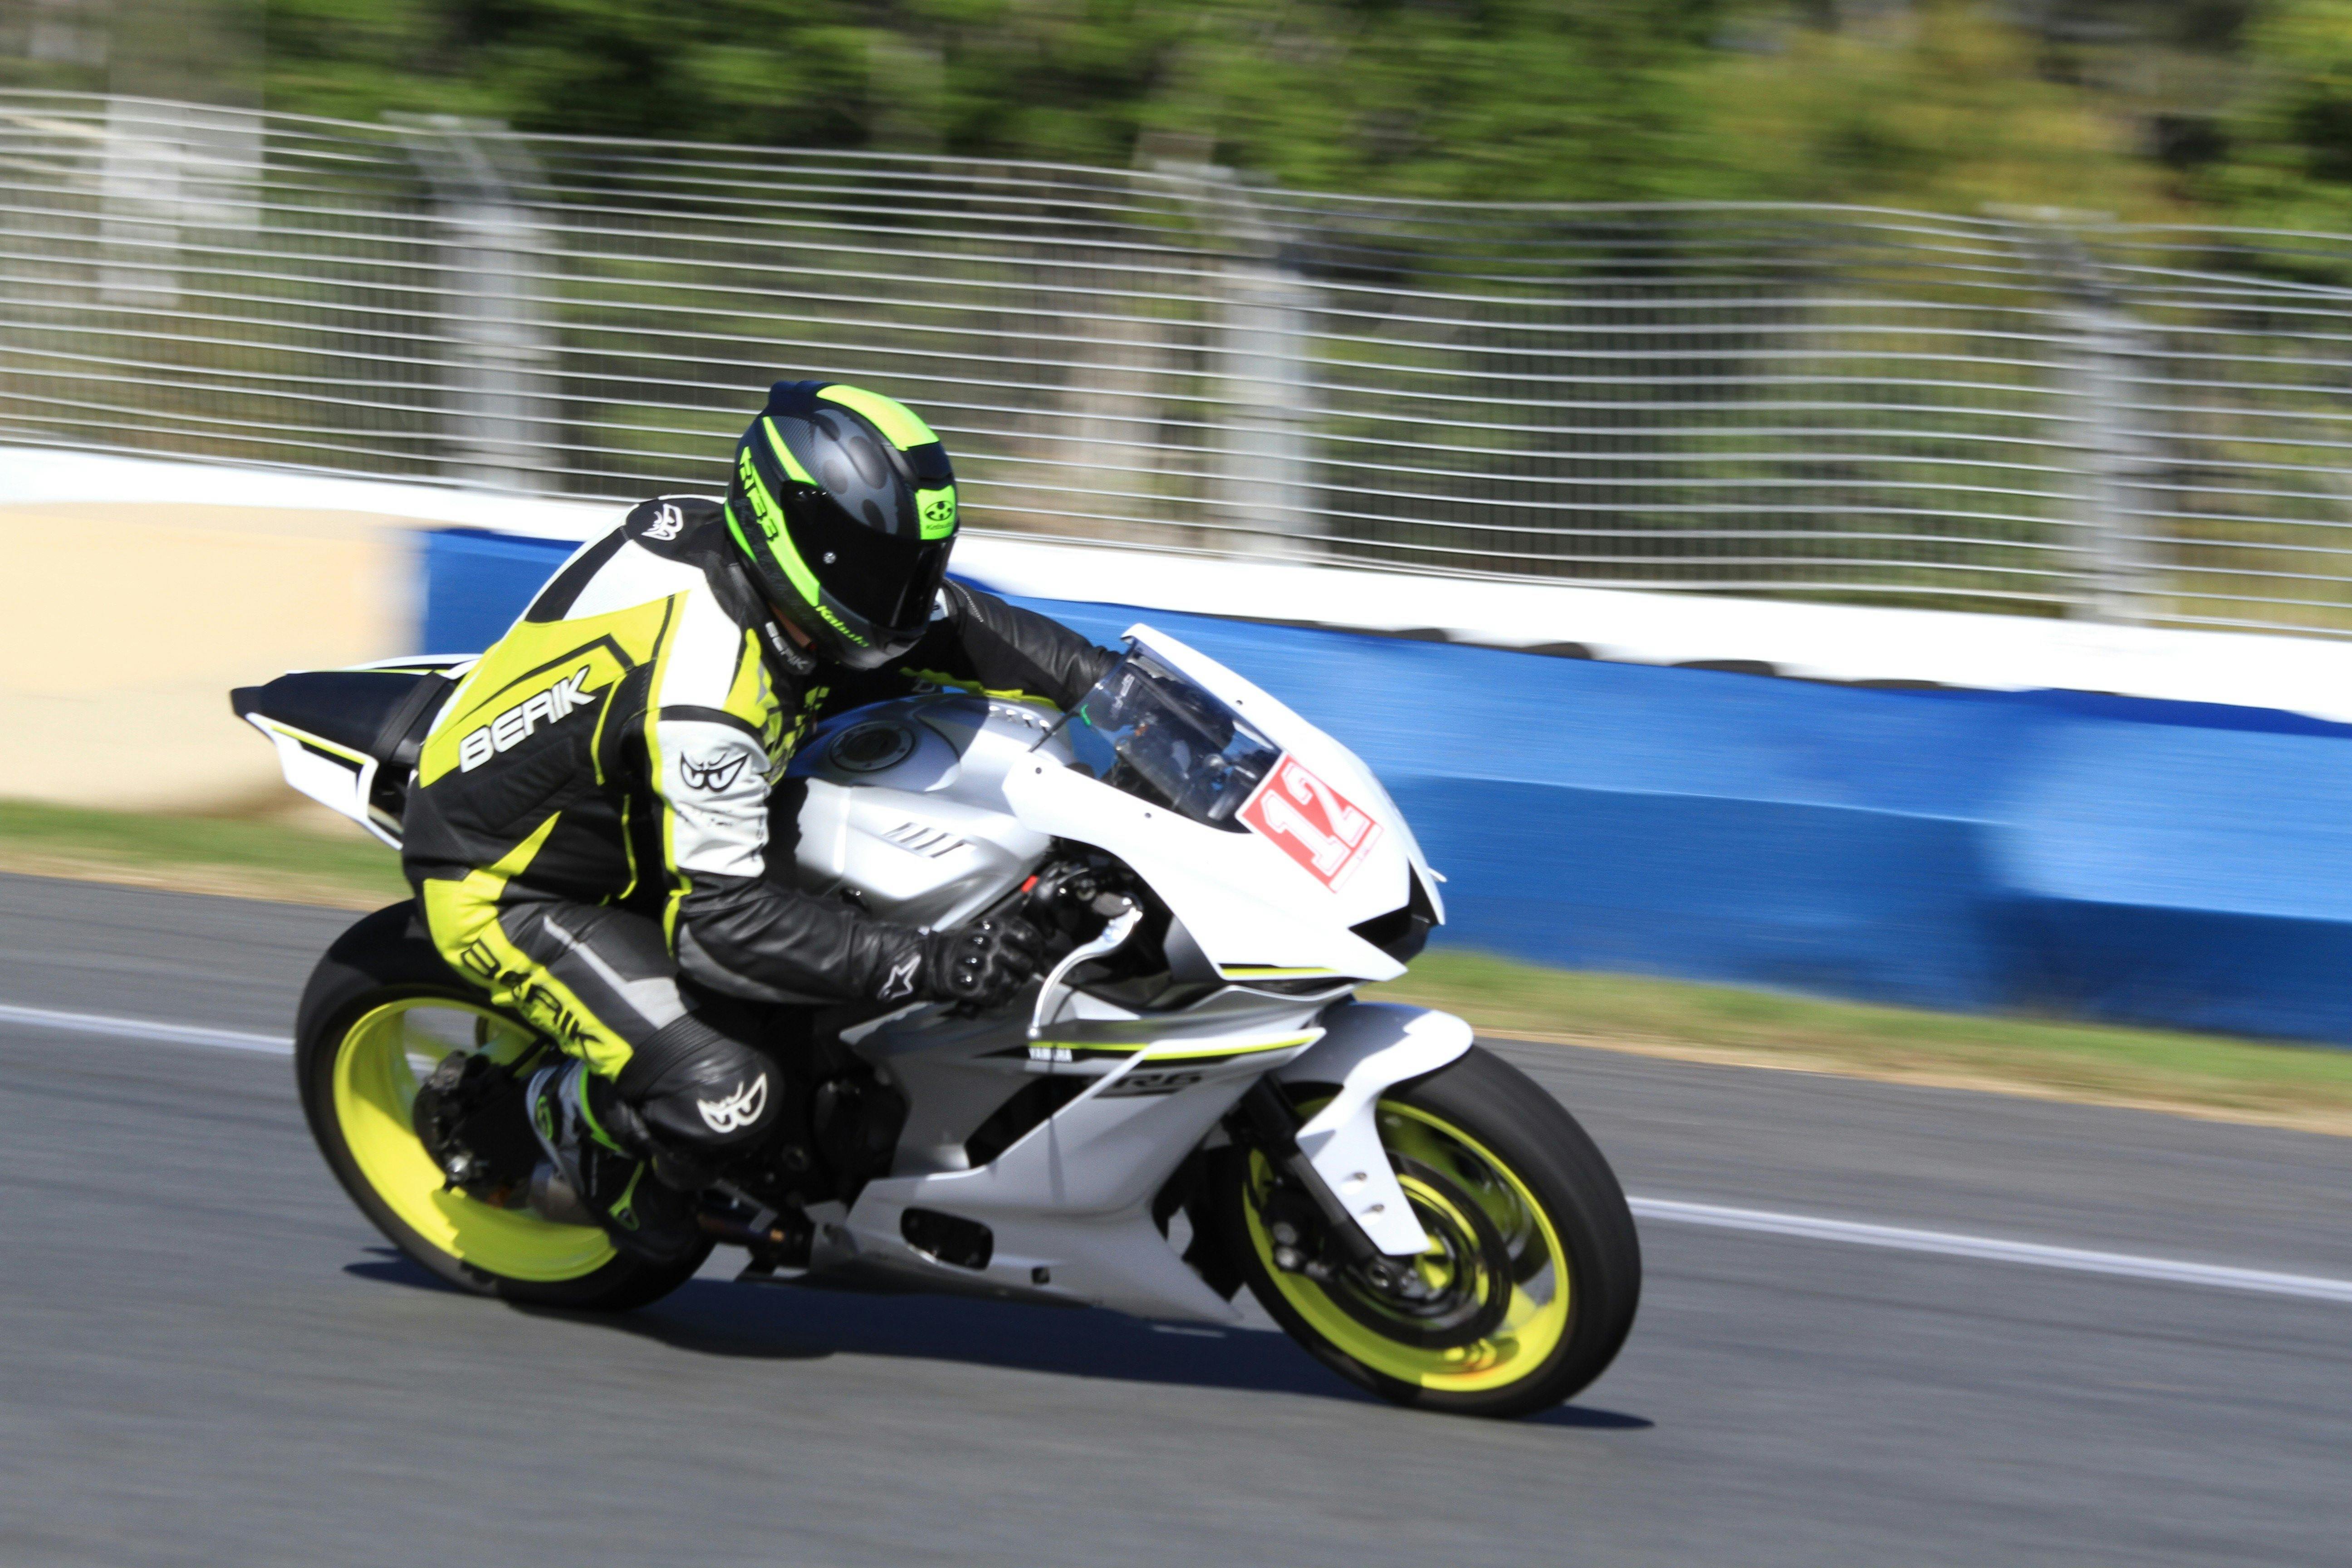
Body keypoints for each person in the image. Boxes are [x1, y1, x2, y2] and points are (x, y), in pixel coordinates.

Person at [401, 380, 1117, 1262]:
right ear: (797, 541)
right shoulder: (712, 694)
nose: (903, 595)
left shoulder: (769, 572)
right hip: (516, 881)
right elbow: (719, 927)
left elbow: (960, 623)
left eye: (913, 565)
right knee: (728, 1096)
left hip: (632, 799)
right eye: (875, 568)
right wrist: (928, 964)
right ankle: (579, 1121)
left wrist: (1114, 693)